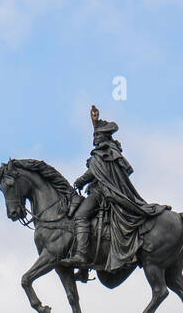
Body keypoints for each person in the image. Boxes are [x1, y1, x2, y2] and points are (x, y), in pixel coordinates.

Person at [63, 105, 167, 270]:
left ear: (103, 137)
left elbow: (94, 172)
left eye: (97, 134)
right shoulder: (109, 150)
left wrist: (80, 181)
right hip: (104, 191)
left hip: (102, 193)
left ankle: (81, 255)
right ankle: (85, 266)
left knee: (81, 216)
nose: (94, 137)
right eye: (94, 134)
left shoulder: (103, 153)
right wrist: (95, 122)